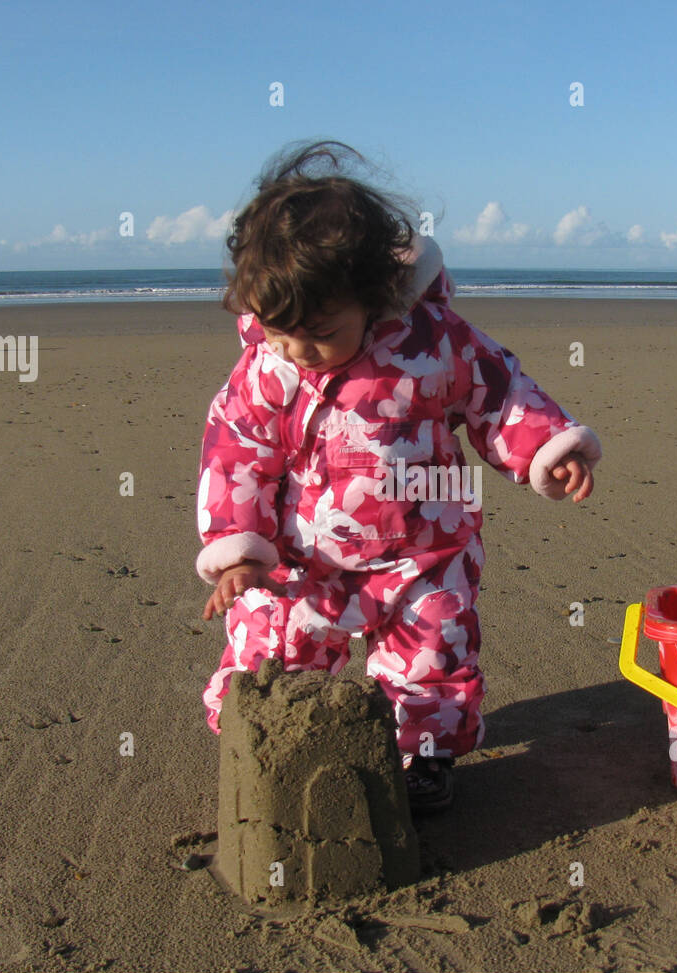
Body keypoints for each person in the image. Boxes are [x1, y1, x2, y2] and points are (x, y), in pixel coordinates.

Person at [195, 141, 601, 811]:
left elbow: (498, 395)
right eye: (278, 332)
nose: (298, 350)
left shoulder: (432, 340)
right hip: (302, 557)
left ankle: (425, 758)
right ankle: (273, 732)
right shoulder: (267, 372)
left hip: (423, 547)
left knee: (430, 656)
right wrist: (240, 551)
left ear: (373, 295)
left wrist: (545, 450)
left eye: (320, 332)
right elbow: (236, 456)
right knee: (274, 643)